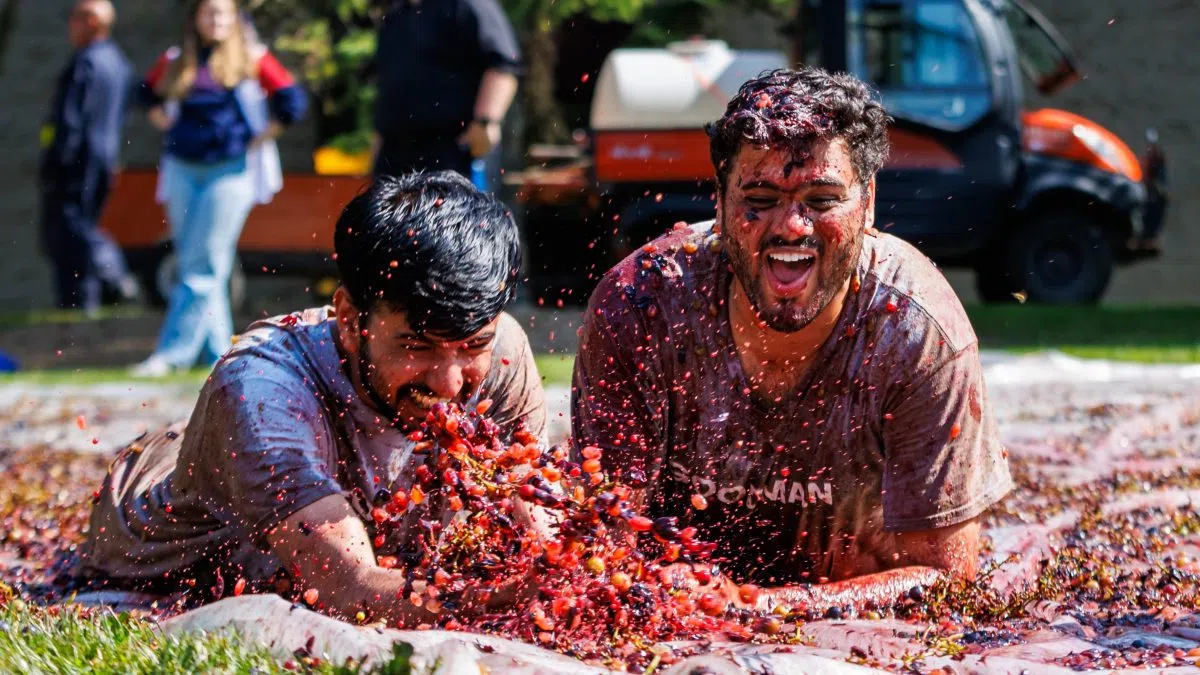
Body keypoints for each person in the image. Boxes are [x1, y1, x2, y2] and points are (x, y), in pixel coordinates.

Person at [570, 67, 1013, 615]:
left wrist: (757, 605)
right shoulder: (641, 308)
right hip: (676, 613)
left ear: (868, 203)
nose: (792, 226)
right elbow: (598, 554)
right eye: (760, 196)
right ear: (720, 201)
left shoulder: (915, 330)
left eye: (822, 198)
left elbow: (949, 579)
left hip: (848, 630)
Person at [74, 171, 547, 624]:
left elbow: (531, 501)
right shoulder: (260, 394)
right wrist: (496, 600)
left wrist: (565, 564)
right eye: (415, 346)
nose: (448, 384)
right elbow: (350, 589)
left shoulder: (501, 348)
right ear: (348, 318)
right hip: (162, 519)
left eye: (471, 346)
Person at [129, 0, 307, 377]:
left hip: (228, 171)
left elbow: (291, 101)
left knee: (201, 266)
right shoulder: (179, 58)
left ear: (233, 20)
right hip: (182, 167)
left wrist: (261, 138)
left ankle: (172, 354)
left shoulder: (252, 58)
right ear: (196, 18)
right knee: (209, 262)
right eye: (209, 13)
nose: (215, 20)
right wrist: (166, 125)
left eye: (222, 14)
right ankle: (220, 354)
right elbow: (145, 93)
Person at [38, 0, 139, 313]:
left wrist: (54, 160)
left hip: (75, 163)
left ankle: (115, 275)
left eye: (75, 20)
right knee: (82, 225)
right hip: (103, 160)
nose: (70, 26)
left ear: (93, 23)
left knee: (72, 231)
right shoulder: (119, 64)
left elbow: (68, 121)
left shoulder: (86, 63)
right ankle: (84, 302)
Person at [369, 0, 521, 182]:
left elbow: (502, 65)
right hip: (394, 155)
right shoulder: (396, 13)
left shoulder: (468, 4)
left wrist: (486, 121)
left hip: (452, 152)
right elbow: (388, 82)